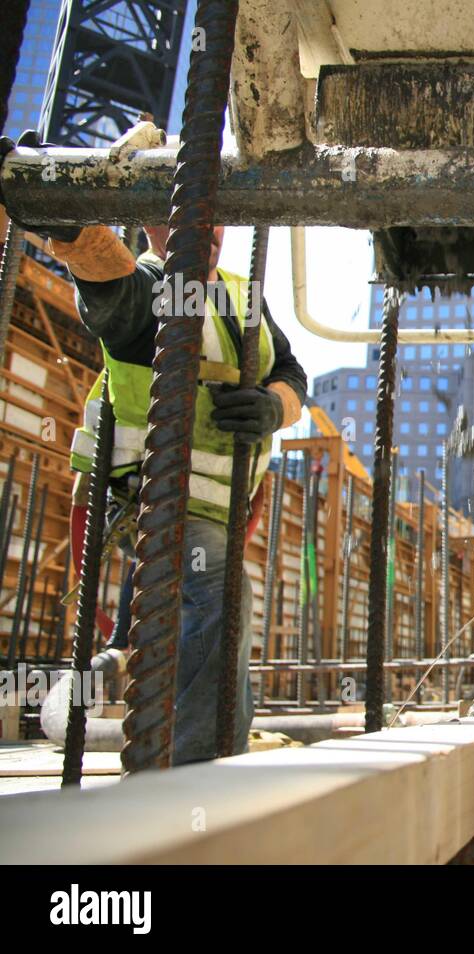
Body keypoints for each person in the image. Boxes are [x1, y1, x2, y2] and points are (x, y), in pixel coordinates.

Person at [2, 133, 307, 764]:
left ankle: (139, 695)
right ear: (151, 219)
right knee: (218, 601)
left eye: (219, 208)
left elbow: (295, 373)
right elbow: (111, 289)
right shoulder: (149, 285)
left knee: (175, 617)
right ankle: (194, 765)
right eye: (189, 206)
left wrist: (275, 404)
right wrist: (67, 223)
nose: (210, 224)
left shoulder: (243, 296)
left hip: (222, 510)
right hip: (157, 503)